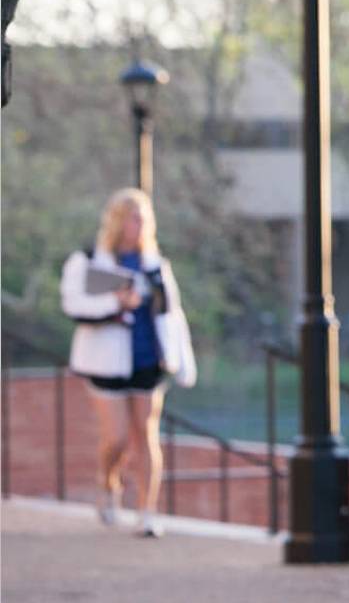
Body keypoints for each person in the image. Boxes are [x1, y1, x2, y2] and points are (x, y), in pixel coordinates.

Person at [60, 188, 197, 537]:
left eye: (143, 219)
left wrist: (181, 362)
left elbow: (172, 314)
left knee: (146, 435)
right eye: (132, 218)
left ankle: (147, 513)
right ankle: (108, 485)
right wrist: (116, 304)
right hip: (106, 364)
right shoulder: (89, 261)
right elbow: (74, 306)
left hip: (149, 359)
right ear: (118, 222)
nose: (138, 225)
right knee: (117, 437)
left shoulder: (155, 266)